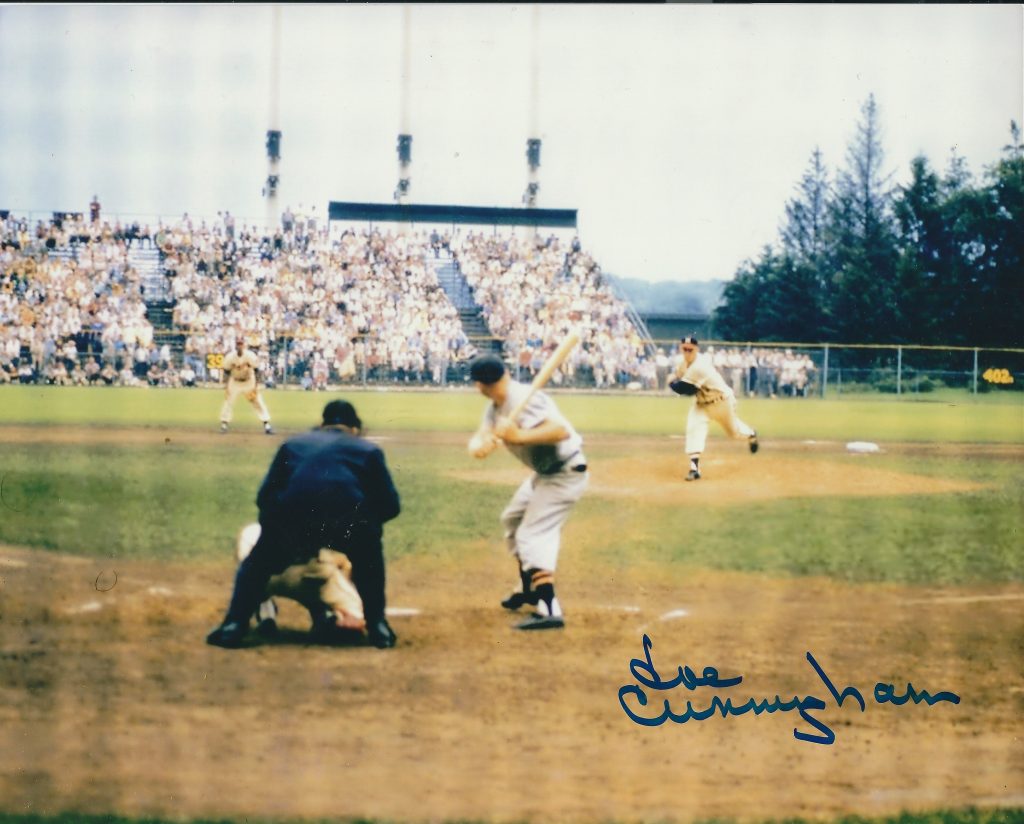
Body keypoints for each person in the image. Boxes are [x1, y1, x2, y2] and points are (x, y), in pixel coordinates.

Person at [206, 399, 401, 649]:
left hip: (293, 521)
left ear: (322, 425)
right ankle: (378, 628)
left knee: (256, 564)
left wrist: (275, 532)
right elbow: (390, 506)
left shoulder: (293, 445)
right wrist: (367, 527)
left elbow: (264, 498)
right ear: (354, 428)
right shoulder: (368, 450)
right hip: (346, 522)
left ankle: (234, 624)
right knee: (370, 558)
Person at [467, 354, 588, 631]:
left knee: (532, 534)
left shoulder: (524, 397)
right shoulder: (496, 407)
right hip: (545, 474)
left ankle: (549, 608)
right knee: (512, 520)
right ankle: (529, 588)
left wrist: (518, 436)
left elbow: (559, 431)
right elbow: (482, 434)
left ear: (480, 385)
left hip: (564, 472)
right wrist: (480, 445)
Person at [670, 335, 758, 481]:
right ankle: (694, 469)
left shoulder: (700, 365)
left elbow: (685, 389)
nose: (687, 352)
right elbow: (680, 376)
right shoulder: (682, 363)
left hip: (721, 402)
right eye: (684, 349)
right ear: (681, 349)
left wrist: (671, 383)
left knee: (734, 433)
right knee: (693, 428)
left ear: (696, 349)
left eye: (690, 349)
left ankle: (751, 434)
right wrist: (675, 377)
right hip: (701, 405)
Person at [220, 337, 273, 434]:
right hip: (234, 382)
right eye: (238, 344)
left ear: (244, 345)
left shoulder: (250, 356)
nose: (239, 346)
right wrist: (226, 385)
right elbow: (226, 372)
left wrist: (256, 386)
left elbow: (257, 371)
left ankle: (267, 424)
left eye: (241, 344)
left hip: (249, 381)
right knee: (228, 401)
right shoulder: (230, 357)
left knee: (258, 401)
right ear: (235, 345)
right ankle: (224, 424)